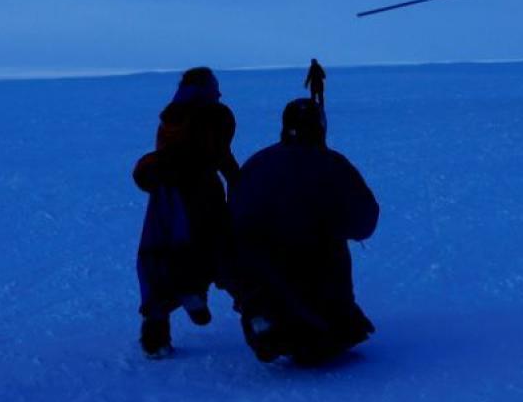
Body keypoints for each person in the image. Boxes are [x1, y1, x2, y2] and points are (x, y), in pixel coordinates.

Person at [227, 99, 379, 365]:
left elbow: (235, 214)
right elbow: (363, 220)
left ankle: (266, 319)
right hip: (315, 265)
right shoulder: (332, 164)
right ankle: (321, 329)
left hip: (257, 266)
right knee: (332, 327)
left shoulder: (258, 163)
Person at [131, 66, 239, 358]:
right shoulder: (212, 115)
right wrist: (237, 183)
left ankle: (156, 335)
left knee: (159, 254)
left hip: (165, 198)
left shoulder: (171, 116)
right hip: (199, 194)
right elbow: (219, 154)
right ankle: (256, 317)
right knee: (217, 249)